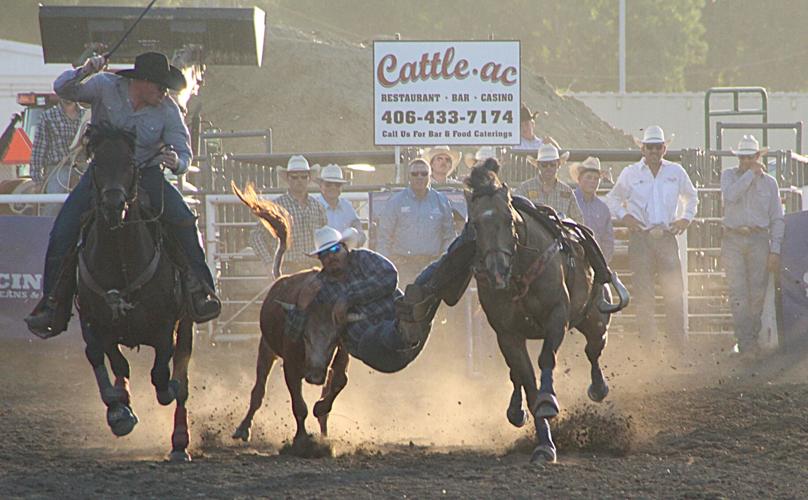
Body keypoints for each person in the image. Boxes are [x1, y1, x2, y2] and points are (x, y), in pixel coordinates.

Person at [25, 51, 220, 338]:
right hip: (103, 175)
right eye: (160, 86)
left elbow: (184, 152)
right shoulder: (104, 86)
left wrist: (177, 162)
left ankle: (201, 290)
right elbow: (63, 88)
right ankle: (52, 303)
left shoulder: (168, 110)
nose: (164, 93)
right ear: (143, 82)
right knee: (63, 230)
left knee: (184, 220)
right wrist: (85, 70)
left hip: (146, 175)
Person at [286, 226, 442, 373]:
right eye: (324, 254)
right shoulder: (320, 289)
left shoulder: (362, 258)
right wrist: (301, 305)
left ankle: (458, 251)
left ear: (344, 248)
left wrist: (348, 298)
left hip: (406, 329)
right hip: (376, 349)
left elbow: (390, 277)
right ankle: (403, 331)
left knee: (428, 280)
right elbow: (293, 334)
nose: (330, 256)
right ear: (320, 260)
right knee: (380, 333)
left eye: (334, 249)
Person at [605, 125, 698, 351]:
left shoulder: (676, 172)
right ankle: (649, 346)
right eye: (650, 147)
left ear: (664, 149)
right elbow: (613, 199)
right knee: (644, 292)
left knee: (673, 292)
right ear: (643, 149)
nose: (654, 151)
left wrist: (686, 218)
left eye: (657, 147)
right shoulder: (630, 173)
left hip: (665, 236)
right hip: (641, 236)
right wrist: (625, 216)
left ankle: (676, 345)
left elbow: (692, 197)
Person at [720, 135, 784, 356]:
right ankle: (746, 342)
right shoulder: (729, 176)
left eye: (750, 157)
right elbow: (730, 196)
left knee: (757, 293)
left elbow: (777, 217)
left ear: (757, 156)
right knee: (738, 292)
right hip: (733, 237)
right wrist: (750, 175)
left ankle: (750, 340)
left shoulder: (770, 183)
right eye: (743, 157)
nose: (746, 161)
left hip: (758, 239)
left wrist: (775, 249)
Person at [376, 158, 456, 284]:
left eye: (424, 173)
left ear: (430, 176)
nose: (419, 177)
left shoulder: (442, 201)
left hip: (433, 266)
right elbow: (384, 235)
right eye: (415, 174)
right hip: (403, 266)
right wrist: (385, 266)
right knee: (404, 295)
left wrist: (443, 261)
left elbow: (449, 236)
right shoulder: (395, 201)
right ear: (409, 176)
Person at [251, 155, 327, 275]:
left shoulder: (317, 207)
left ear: (309, 179)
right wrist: (269, 262)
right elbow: (256, 235)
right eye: (294, 177)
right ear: (288, 179)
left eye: (303, 177)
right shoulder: (276, 207)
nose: (299, 180)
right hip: (287, 267)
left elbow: (325, 237)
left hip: (313, 268)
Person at [30, 98, 87, 216]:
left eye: (71, 92)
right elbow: (39, 149)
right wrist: (37, 179)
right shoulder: (48, 116)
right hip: (58, 167)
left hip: (83, 167)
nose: (68, 95)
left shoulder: (87, 116)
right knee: (55, 200)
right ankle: (48, 224)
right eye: (65, 92)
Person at [515, 143, 584, 223]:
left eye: (552, 164)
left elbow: (578, 220)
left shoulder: (567, 191)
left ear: (558, 165)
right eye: (544, 165)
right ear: (538, 165)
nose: (548, 167)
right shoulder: (525, 189)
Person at [571, 156, 615, 262]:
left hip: (595, 258)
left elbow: (608, 239)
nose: (592, 181)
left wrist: (603, 261)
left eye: (596, 178)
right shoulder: (569, 200)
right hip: (573, 256)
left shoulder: (603, 208)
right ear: (579, 179)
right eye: (589, 177)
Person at [315, 164, 366, 247]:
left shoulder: (347, 207)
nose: (333, 187)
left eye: (337, 185)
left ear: (341, 187)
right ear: (321, 186)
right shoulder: (313, 207)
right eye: (328, 184)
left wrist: (354, 242)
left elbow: (360, 234)